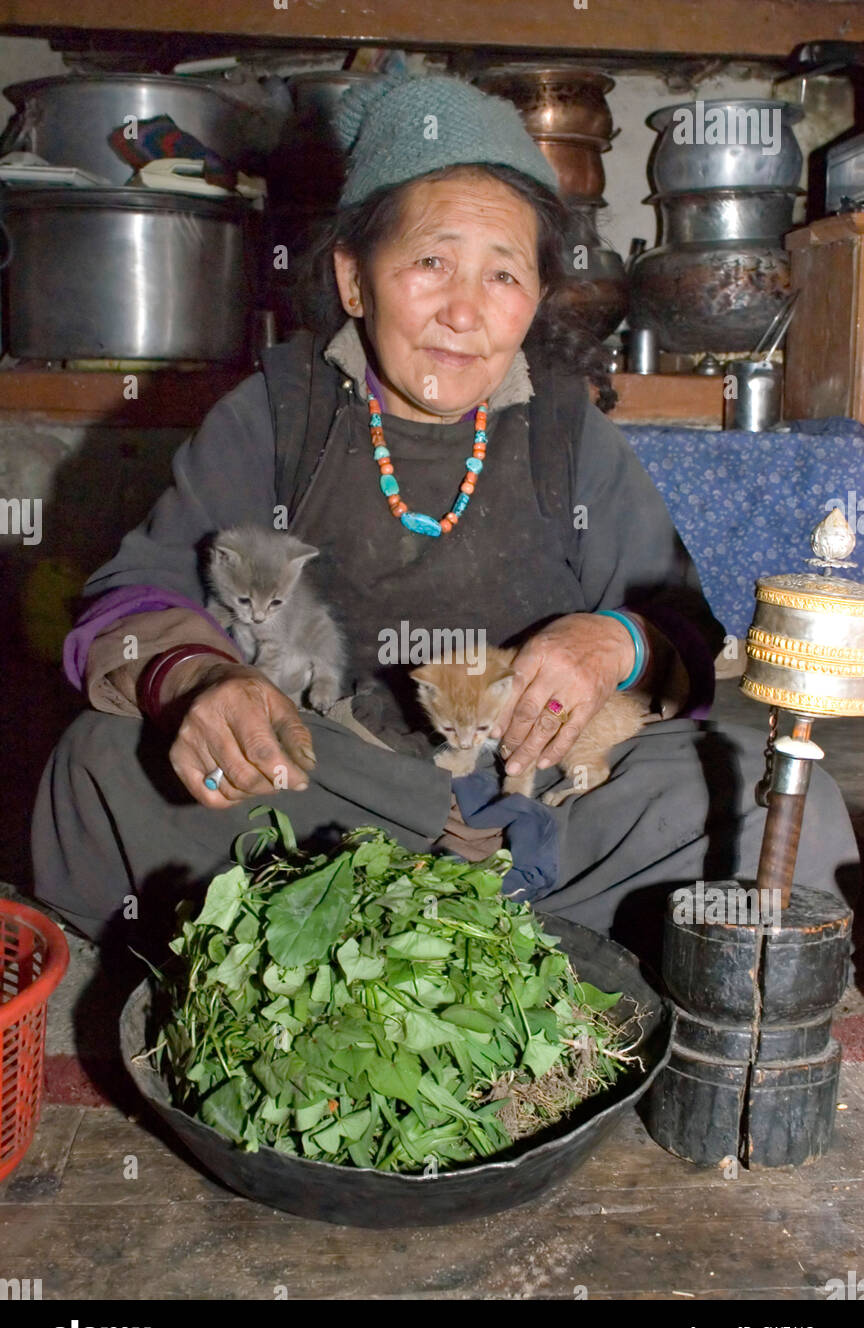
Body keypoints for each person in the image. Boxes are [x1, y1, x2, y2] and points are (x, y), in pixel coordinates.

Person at [31, 74, 859, 953]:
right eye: (431, 262)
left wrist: (609, 643)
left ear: (536, 296)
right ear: (354, 279)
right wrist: (198, 681)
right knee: (99, 768)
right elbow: (126, 608)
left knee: (773, 798)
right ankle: (477, 936)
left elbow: (684, 636)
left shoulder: (565, 430)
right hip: (331, 788)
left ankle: (387, 939)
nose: (465, 311)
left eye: (504, 273)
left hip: (547, 801)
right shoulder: (277, 414)